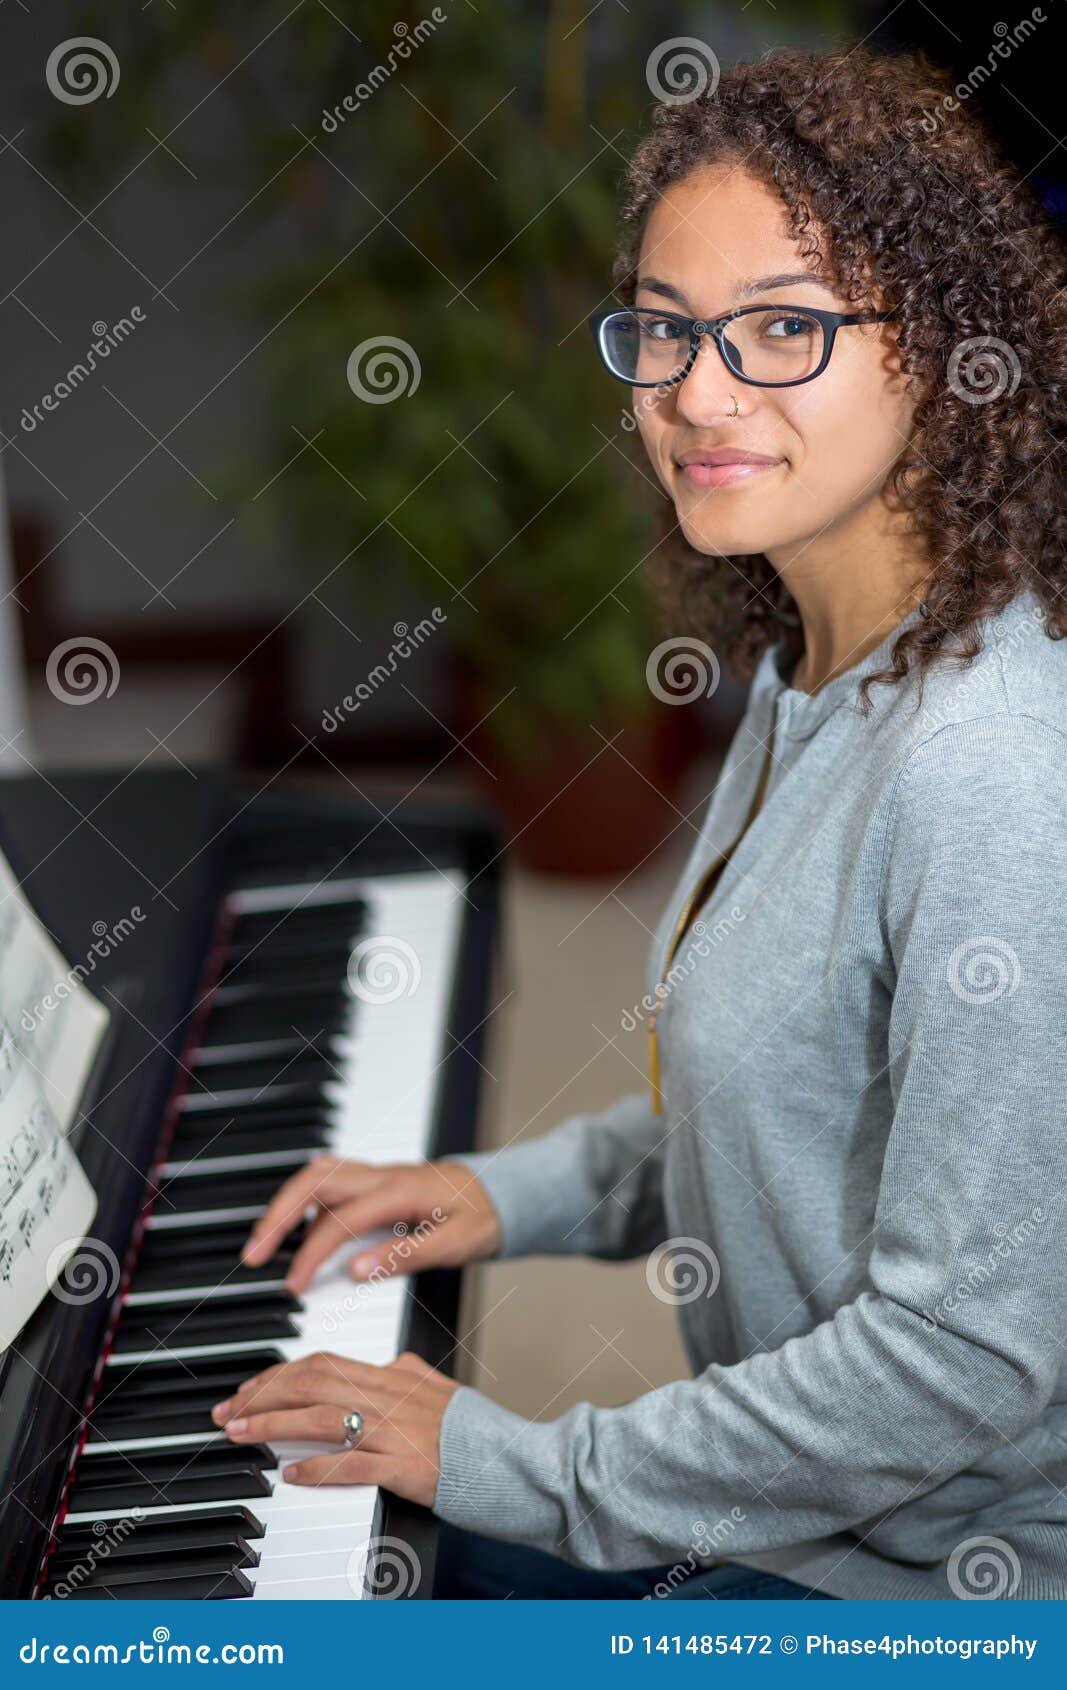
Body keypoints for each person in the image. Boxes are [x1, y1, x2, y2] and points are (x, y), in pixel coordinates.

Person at [211, 44, 1067, 1600]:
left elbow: (962, 1354)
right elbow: (791, 1114)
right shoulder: (818, 668)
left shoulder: (988, 771)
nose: (696, 394)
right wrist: (508, 1192)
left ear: (942, 349)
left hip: (932, 1592)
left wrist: (525, 1463)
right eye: (665, 328)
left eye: (784, 328)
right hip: (791, 1517)